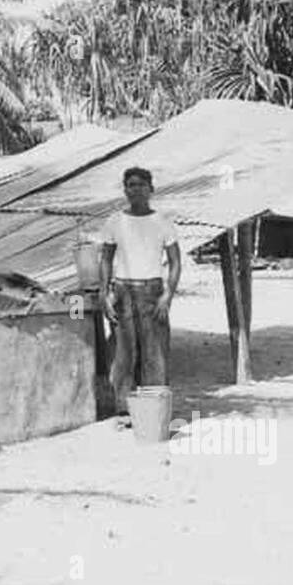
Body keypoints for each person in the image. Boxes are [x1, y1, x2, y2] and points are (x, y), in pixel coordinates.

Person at [99, 167, 182, 413]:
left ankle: (153, 410)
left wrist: (168, 295)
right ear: (125, 190)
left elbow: (176, 262)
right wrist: (104, 294)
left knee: (155, 354)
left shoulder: (162, 222)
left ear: (151, 189)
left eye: (141, 185)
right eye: (131, 185)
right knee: (123, 354)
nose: (136, 189)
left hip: (152, 291)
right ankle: (124, 410)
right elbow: (105, 259)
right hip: (123, 291)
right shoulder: (114, 221)